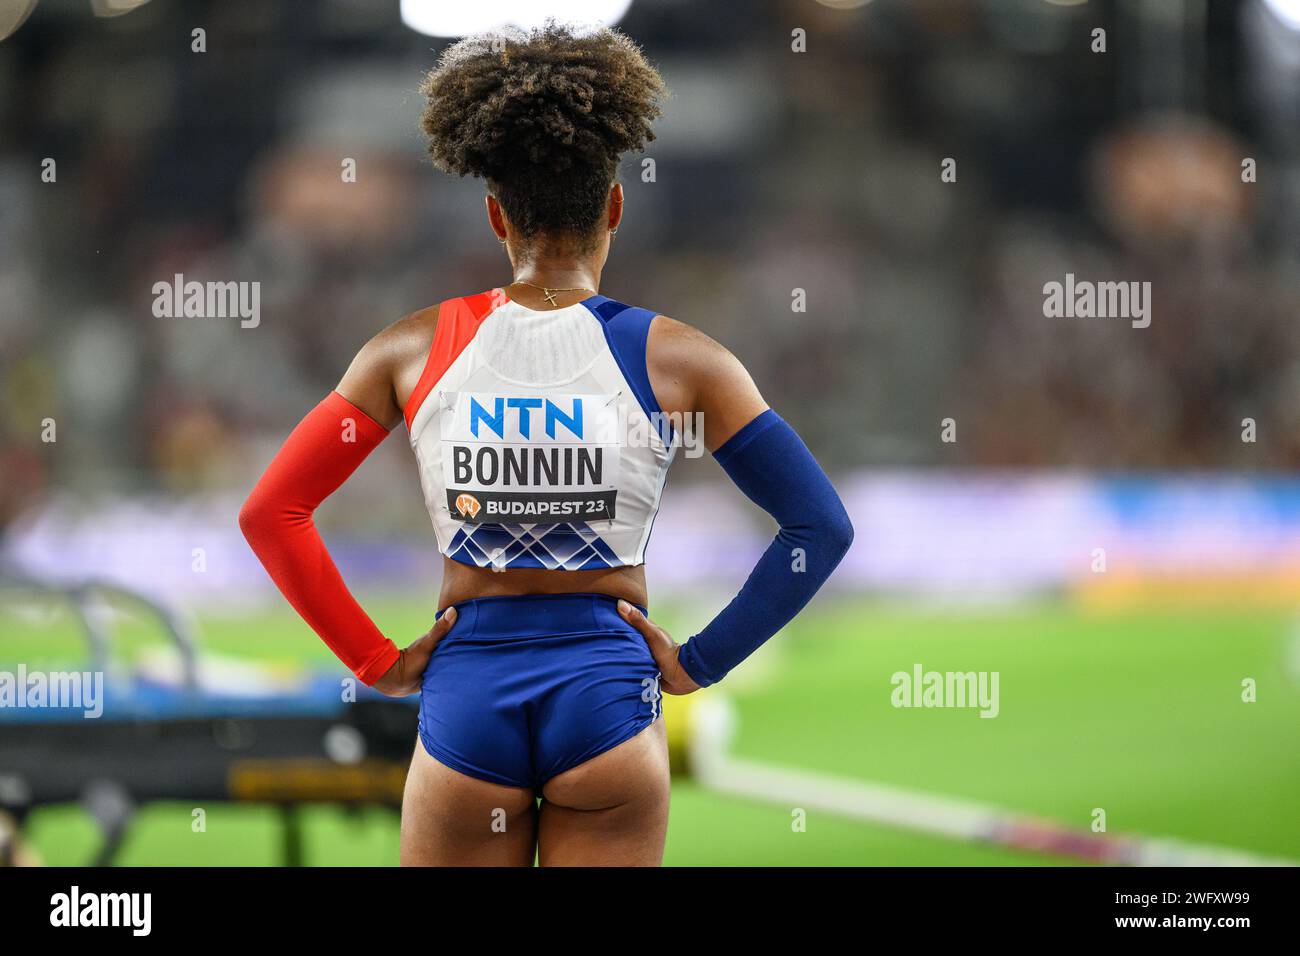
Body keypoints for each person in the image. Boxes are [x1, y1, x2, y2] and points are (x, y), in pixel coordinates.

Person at [239, 22, 853, 866]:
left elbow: (273, 513)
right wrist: (700, 662)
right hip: (606, 698)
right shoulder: (682, 361)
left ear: (497, 215)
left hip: (466, 699)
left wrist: (376, 661)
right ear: (615, 207)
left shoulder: (407, 352)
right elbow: (819, 528)